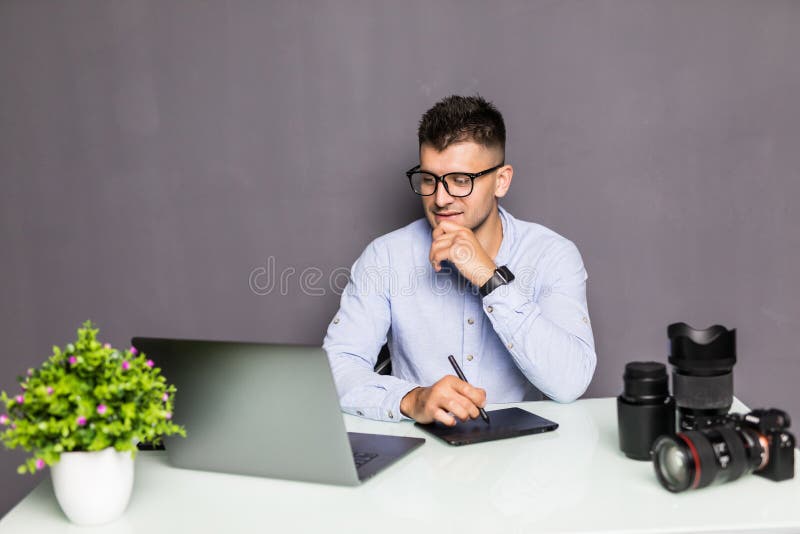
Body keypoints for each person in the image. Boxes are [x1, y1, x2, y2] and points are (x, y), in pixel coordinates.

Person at [323, 95, 596, 426]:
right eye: (428, 179)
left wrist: (490, 277)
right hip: (420, 459)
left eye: (460, 181)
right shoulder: (386, 257)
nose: (439, 198)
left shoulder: (552, 254)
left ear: (501, 180)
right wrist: (411, 399)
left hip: (523, 463)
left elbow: (570, 382)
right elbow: (336, 366)